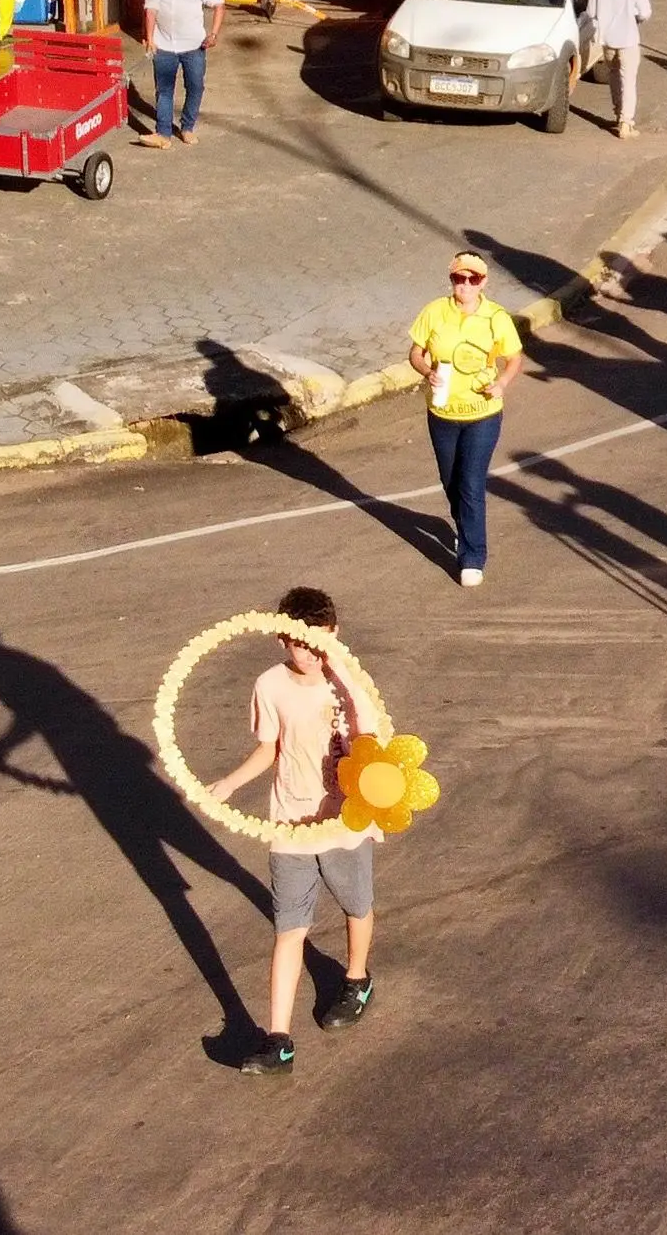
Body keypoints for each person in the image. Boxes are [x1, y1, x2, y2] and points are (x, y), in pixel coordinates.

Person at [193, 585, 381, 1073]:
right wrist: (228, 784)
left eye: (319, 641)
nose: (309, 652)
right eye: (299, 642)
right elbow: (269, 748)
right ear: (282, 640)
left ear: (335, 634)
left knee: (355, 905)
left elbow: (372, 752)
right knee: (288, 929)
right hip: (289, 824)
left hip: (342, 821)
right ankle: (279, 1039)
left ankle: (357, 978)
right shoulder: (269, 686)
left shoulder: (350, 686)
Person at [408, 255, 525, 586]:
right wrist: (428, 371)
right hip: (443, 412)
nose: (466, 286)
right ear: (452, 280)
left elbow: (515, 358)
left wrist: (501, 383)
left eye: (474, 280)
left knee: (471, 483)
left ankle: (473, 555)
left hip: (482, 414)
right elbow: (415, 353)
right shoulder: (434, 312)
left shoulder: (495, 318)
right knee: (450, 481)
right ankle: (464, 526)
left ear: (484, 282)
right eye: (460, 279)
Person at [140, 0, 225, 149]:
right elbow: (151, 9)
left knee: (195, 87)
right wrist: (150, 39)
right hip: (164, 44)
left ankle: (187, 127)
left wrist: (213, 34)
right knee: (164, 90)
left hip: (194, 46)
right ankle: (163, 133)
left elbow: (219, 5)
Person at [590, 0, 655, 139]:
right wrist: (636, 17)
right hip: (628, 38)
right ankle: (626, 122)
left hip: (607, 39)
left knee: (614, 76)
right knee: (629, 81)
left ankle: (618, 113)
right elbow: (645, 12)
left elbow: (591, 12)